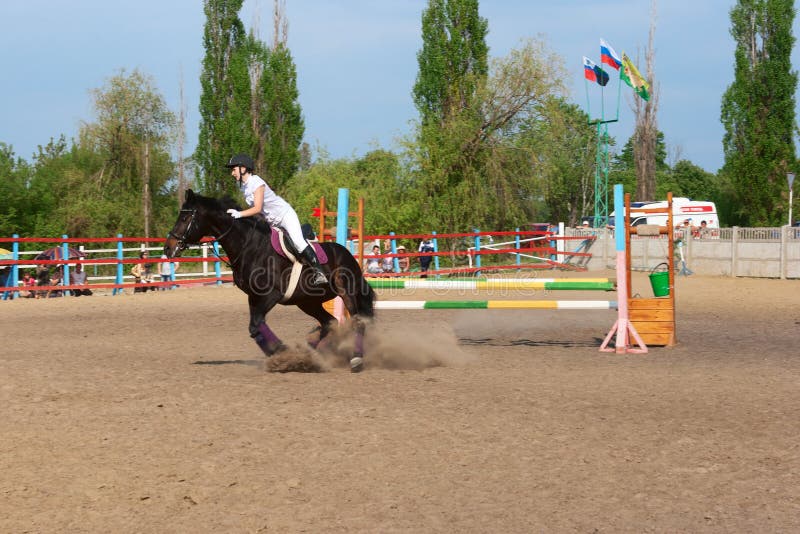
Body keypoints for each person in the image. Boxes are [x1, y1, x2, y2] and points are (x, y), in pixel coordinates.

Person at [225, 153, 328, 285]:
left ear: (243, 168)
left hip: (285, 215)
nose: (232, 173)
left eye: (233, 169)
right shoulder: (244, 187)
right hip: (271, 221)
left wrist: (239, 214)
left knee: (298, 242)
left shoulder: (257, 182)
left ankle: (319, 272)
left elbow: (257, 208)